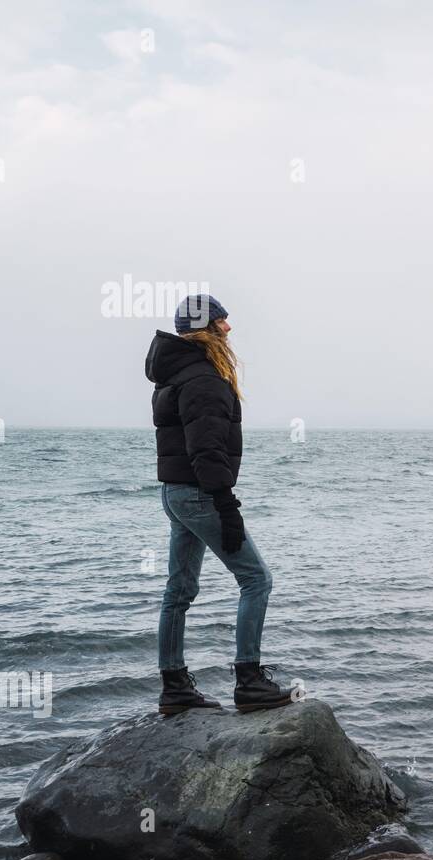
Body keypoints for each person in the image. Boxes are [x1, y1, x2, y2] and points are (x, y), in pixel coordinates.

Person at [145, 293, 293, 715]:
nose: (228, 327)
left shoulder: (175, 373)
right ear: (204, 329)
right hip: (199, 493)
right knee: (256, 579)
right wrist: (226, 505)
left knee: (180, 589)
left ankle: (174, 688)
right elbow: (206, 448)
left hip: (176, 494)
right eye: (221, 320)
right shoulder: (204, 378)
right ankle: (249, 681)